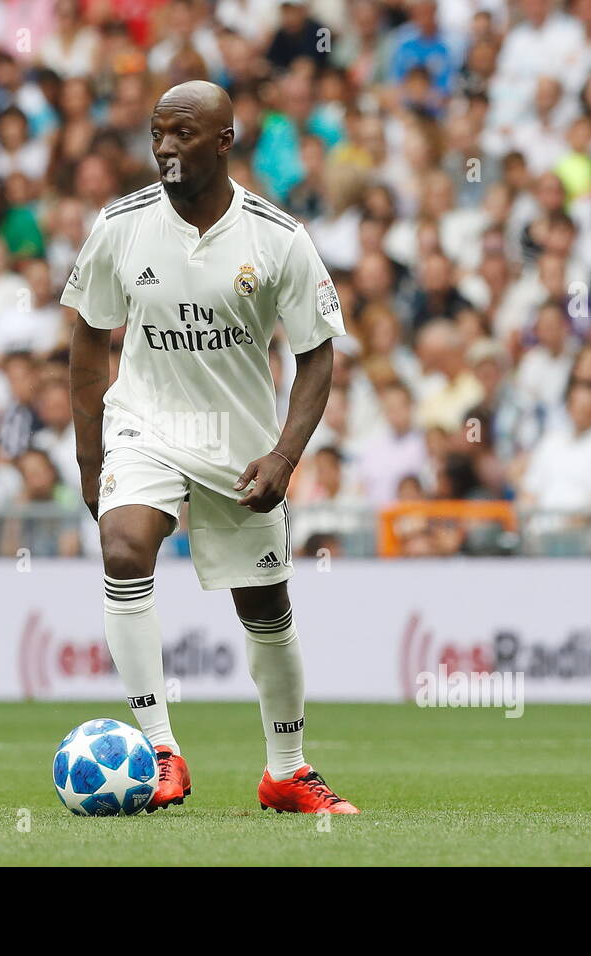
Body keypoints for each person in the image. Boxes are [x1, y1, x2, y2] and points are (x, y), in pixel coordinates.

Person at [64, 80, 357, 815]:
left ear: (224, 140)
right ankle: (161, 749)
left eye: (183, 133)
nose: (165, 146)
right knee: (124, 548)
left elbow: (317, 354)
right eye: (158, 132)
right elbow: (87, 342)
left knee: (265, 608)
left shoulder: (277, 236)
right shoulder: (120, 225)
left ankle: (286, 770)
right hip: (145, 423)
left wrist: (285, 457)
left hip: (239, 445)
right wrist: (90, 458)